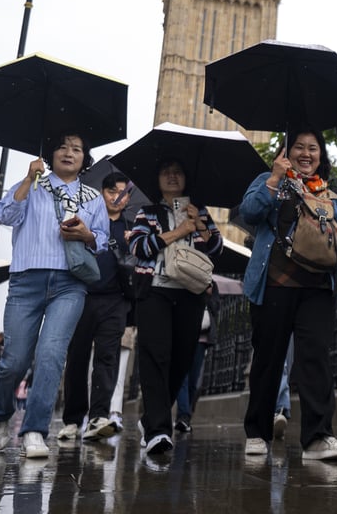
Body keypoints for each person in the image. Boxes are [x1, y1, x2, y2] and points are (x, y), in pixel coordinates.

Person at [0, 132, 110, 460]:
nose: (69, 153)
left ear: (85, 158)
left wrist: (86, 234)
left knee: (51, 355)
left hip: (70, 284)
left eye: (77, 149)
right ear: (50, 153)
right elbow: (5, 215)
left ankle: (34, 429)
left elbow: (102, 240)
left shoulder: (92, 197)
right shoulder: (32, 184)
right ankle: (0, 414)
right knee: (14, 361)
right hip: (26, 280)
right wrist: (29, 179)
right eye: (62, 147)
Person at [240, 131, 337, 460]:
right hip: (274, 283)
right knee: (268, 359)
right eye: (299, 147)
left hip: (318, 288)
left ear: (321, 155)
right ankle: (258, 432)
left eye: (313, 148)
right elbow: (249, 212)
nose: (306, 154)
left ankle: (318, 437)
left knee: (315, 359)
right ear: (286, 153)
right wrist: (276, 177)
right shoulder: (269, 180)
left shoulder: (330, 195)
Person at [129, 157, 224, 455]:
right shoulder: (147, 212)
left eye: (178, 172)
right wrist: (178, 232)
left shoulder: (200, 211)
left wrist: (201, 226)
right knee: (156, 356)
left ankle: (151, 418)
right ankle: (158, 429)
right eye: (166, 172)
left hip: (190, 293)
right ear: (157, 179)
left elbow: (217, 249)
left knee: (182, 360)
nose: (172, 177)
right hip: (155, 291)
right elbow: (138, 247)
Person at [59, 172, 134, 443]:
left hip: (115, 300)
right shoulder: (86, 219)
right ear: (102, 192)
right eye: (112, 191)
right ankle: (72, 420)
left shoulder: (131, 228)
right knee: (77, 358)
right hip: (83, 295)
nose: (117, 197)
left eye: (123, 193)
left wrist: (132, 242)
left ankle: (98, 416)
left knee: (107, 358)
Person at [174, 282, 220, 433]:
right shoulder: (184, 278)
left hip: (201, 339)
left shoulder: (212, 285)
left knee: (194, 380)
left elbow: (216, 308)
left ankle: (185, 415)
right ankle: (183, 416)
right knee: (182, 378)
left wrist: (207, 294)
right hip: (183, 334)